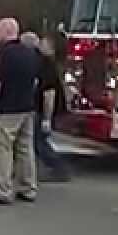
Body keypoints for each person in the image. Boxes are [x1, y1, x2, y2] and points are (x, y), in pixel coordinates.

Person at [0, 17, 40, 204]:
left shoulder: (4, 54)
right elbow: (36, 81)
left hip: (8, 107)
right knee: (25, 148)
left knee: (3, 148)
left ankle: (2, 189)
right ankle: (28, 187)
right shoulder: (30, 52)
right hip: (27, 106)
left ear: (6, 31)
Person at [27, 32, 71, 182]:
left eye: (44, 42)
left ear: (52, 49)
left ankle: (59, 168)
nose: (40, 43)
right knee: (35, 140)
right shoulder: (44, 63)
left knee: (38, 141)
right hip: (40, 107)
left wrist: (47, 117)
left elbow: (49, 94)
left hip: (44, 109)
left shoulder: (47, 66)